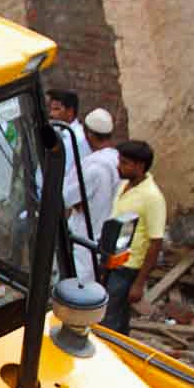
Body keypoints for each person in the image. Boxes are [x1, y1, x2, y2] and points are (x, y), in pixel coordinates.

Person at [105, 140, 166, 333]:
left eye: (124, 163)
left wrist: (139, 284)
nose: (119, 166)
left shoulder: (152, 198)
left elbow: (155, 243)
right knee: (117, 319)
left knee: (109, 321)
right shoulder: (124, 185)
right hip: (112, 262)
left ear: (139, 166)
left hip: (128, 269)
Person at [69, 108, 121, 281]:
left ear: (87, 133)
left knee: (80, 287)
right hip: (111, 237)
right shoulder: (119, 160)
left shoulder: (91, 165)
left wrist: (78, 202)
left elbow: (66, 197)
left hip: (86, 237)